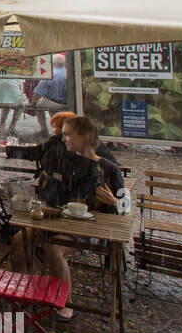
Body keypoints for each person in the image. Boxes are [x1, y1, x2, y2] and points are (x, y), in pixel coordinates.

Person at [33, 116, 126, 322]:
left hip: (94, 230)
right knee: (23, 240)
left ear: (84, 137)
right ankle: (27, 294)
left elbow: (127, 210)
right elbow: (57, 199)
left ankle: (66, 303)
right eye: (63, 133)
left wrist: (114, 202)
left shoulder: (109, 169)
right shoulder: (67, 164)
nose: (63, 138)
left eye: (68, 134)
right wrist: (47, 185)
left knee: (53, 249)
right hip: (65, 223)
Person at [33, 53, 68, 135]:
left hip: (54, 103)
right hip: (68, 103)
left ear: (52, 63)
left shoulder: (50, 74)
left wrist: (33, 102)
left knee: (39, 103)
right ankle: (57, 128)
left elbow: (38, 92)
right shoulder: (68, 72)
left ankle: (43, 128)